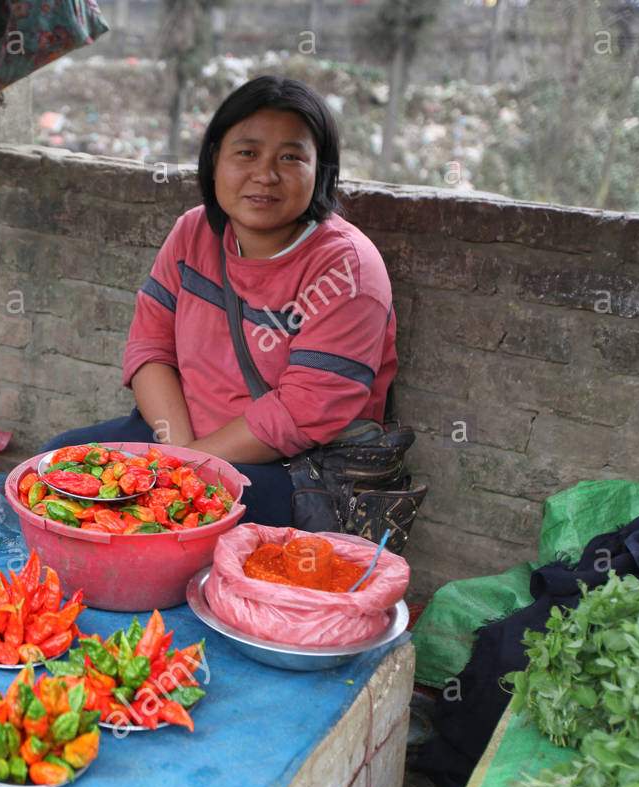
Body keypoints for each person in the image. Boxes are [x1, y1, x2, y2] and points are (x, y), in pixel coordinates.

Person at [41, 75, 397, 527]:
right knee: (53, 469)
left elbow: (301, 413)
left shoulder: (348, 269)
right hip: (183, 438)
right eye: (246, 153)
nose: (265, 175)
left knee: (162, 527)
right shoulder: (194, 233)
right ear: (214, 160)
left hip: (288, 468)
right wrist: (177, 452)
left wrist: (183, 468)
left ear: (320, 170)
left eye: (290, 157)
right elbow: (151, 349)